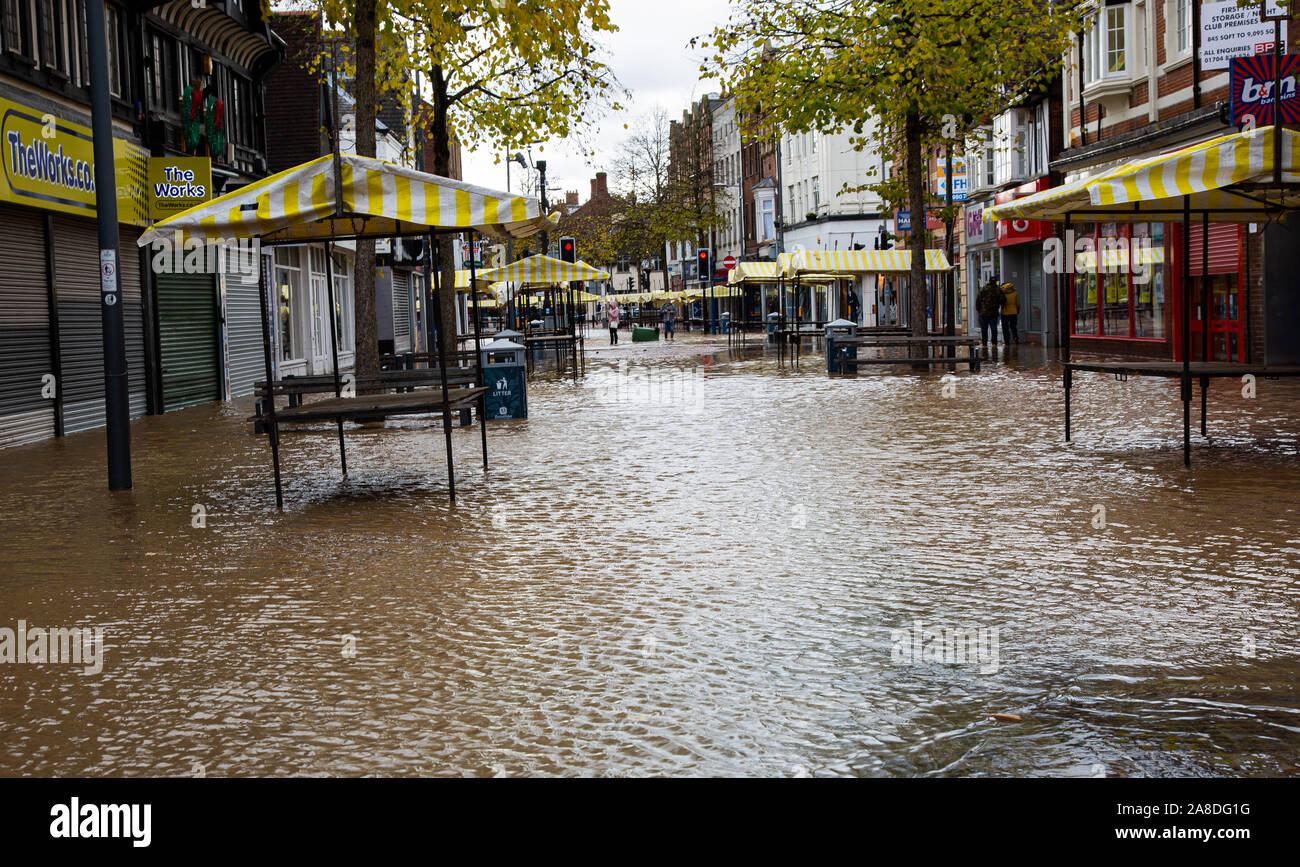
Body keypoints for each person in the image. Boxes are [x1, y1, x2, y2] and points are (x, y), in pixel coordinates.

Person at [975, 277, 1004, 349]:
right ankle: (994, 343)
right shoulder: (998, 290)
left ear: (989, 281)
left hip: (983, 313)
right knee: (994, 329)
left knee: (984, 329)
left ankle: (984, 343)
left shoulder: (983, 289)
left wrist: (979, 310)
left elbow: (978, 300)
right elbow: (1003, 300)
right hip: (993, 313)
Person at [1000, 281, 1020, 345]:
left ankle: (1007, 341)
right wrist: (1017, 311)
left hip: (1004, 313)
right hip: (1013, 312)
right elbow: (1018, 304)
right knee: (1013, 327)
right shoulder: (1015, 293)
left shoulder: (1002, 293)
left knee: (1005, 328)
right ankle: (1015, 337)